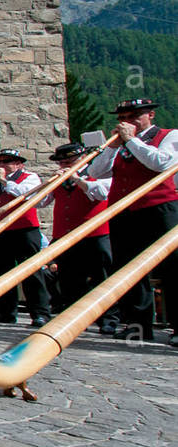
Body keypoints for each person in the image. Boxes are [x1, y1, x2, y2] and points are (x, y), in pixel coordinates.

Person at [85, 97, 178, 344]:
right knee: (129, 270)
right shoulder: (121, 145)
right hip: (125, 212)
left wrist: (131, 141)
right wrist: (114, 147)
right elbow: (95, 172)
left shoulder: (169, 135)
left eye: (135, 116)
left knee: (172, 269)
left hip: (159, 208)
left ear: (150, 116)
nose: (128, 122)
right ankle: (138, 326)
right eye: (123, 118)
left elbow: (162, 163)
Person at [40, 142, 117, 334]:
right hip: (65, 235)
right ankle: (75, 319)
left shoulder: (99, 173)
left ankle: (109, 319)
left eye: (69, 161)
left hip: (94, 234)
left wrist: (76, 179)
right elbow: (40, 203)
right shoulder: (59, 178)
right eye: (61, 162)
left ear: (82, 158)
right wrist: (49, 184)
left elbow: (101, 193)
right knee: (70, 281)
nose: (65, 165)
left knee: (102, 278)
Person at [0, 148, 50, 327]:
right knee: (1, 272)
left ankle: (40, 312)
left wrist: (4, 180)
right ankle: (6, 311)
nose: (1, 165)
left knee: (31, 271)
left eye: (6, 162)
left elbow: (27, 195)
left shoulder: (30, 177)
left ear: (18, 164)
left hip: (24, 229)